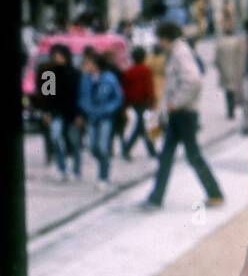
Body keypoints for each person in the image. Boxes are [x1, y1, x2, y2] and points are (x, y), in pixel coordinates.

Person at [140, 22, 224, 210]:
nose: (159, 43)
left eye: (159, 39)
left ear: (165, 39)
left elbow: (193, 80)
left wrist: (175, 102)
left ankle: (214, 193)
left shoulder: (180, 53)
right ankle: (157, 196)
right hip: (180, 113)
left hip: (183, 113)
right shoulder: (178, 52)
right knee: (171, 155)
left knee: (188, 155)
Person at [78, 51, 124, 190]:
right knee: (92, 147)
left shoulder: (109, 78)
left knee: (103, 147)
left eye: (89, 63)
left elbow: (118, 97)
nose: (87, 66)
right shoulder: (85, 79)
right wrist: (86, 108)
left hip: (105, 117)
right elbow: (81, 96)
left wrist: (108, 109)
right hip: (91, 117)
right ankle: (105, 165)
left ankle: (103, 176)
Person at [37, 44, 83, 182]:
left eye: (60, 56)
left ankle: (76, 170)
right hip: (55, 112)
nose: (57, 59)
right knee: (55, 138)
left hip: (72, 113)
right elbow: (45, 95)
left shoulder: (75, 73)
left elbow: (80, 95)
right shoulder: (48, 73)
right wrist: (45, 111)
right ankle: (62, 168)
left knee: (74, 142)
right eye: (55, 56)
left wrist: (80, 114)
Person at [121, 46, 159, 160]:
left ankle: (150, 150)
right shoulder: (146, 70)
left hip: (133, 103)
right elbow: (149, 87)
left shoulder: (129, 71)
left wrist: (125, 104)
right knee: (142, 127)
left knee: (141, 127)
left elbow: (125, 88)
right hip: (144, 102)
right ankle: (129, 149)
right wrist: (153, 101)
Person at [214, 23, 246, 121]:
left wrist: (220, 68)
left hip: (224, 71)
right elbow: (241, 57)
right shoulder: (237, 42)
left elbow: (216, 60)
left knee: (228, 92)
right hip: (235, 69)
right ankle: (234, 108)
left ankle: (230, 110)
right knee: (235, 90)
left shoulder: (220, 44)